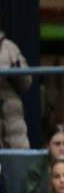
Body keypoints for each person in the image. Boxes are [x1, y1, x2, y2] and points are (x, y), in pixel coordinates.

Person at [0, 20, 31, 148]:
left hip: (11, 112)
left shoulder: (9, 47)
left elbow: (26, 83)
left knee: (18, 159)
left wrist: (17, 71)